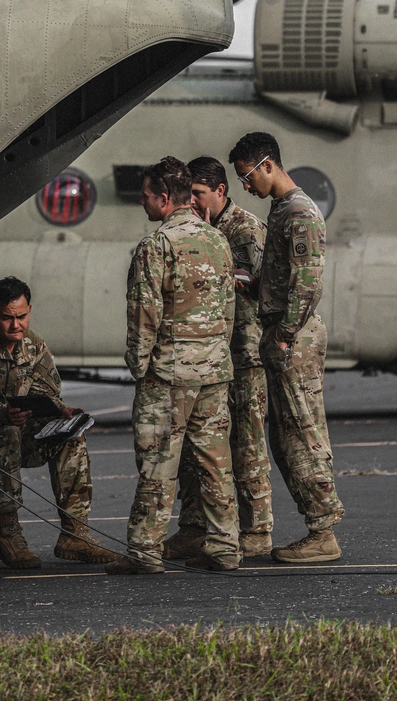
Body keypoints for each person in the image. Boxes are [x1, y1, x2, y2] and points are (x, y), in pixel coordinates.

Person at [107, 155, 241, 575]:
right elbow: (230, 307)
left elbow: (144, 313)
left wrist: (138, 364)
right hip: (215, 368)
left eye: (146, 196)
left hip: (168, 374)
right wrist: (217, 349)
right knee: (216, 462)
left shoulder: (156, 245)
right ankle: (224, 547)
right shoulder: (218, 240)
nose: (142, 203)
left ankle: (146, 551)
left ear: (165, 199)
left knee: (157, 463)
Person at [0, 277, 116, 569]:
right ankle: (6, 531)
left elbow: (46, 391)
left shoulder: (32, 344)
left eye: (22, 316)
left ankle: (75, 534)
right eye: (7, 318)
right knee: (7, 434)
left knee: (70, 435)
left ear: (30, 309)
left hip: (7, 425)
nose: (16, 325)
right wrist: (4, 415)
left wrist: (62, 410)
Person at [229, 130, 345, 562]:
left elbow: (308, 284)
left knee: (302, 433)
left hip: (292, 336)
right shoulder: (280, 209)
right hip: (279, 328)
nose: (245, 186)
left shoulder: (299, 212)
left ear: (268, 165)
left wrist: (281, 335)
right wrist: (254, 286)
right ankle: (317, 525)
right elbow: (284, 278)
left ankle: (323, 531)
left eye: (247, 176)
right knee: (284, 436)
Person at [165, 156, 273, 560]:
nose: (191, 202)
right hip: (206, 354)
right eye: (187, 194)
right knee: (199, 448)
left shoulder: (243, 228)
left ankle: (257, 529)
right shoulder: (194, 228)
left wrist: (213, 250)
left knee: (247, 444)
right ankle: (194, 526)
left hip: (243, 352)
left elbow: (258, 281)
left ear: (219, 192)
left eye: (198, 194)